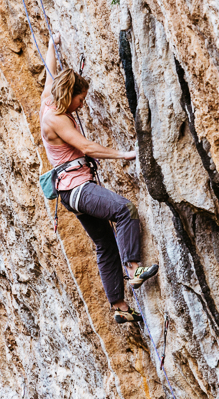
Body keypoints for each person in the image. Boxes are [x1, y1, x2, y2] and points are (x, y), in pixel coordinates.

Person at [39, 34, 158, 324]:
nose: (82, 104)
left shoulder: (48, 102)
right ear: (71, 95)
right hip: (78, 189)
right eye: (81, 98)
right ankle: (133, 271)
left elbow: (49, 72)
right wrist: (124, 155)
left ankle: (119, 307)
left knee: (105, 244)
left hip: (70, 194)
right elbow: (87, 148)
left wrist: (53, 45)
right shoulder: (58, 120)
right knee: (124, 210)